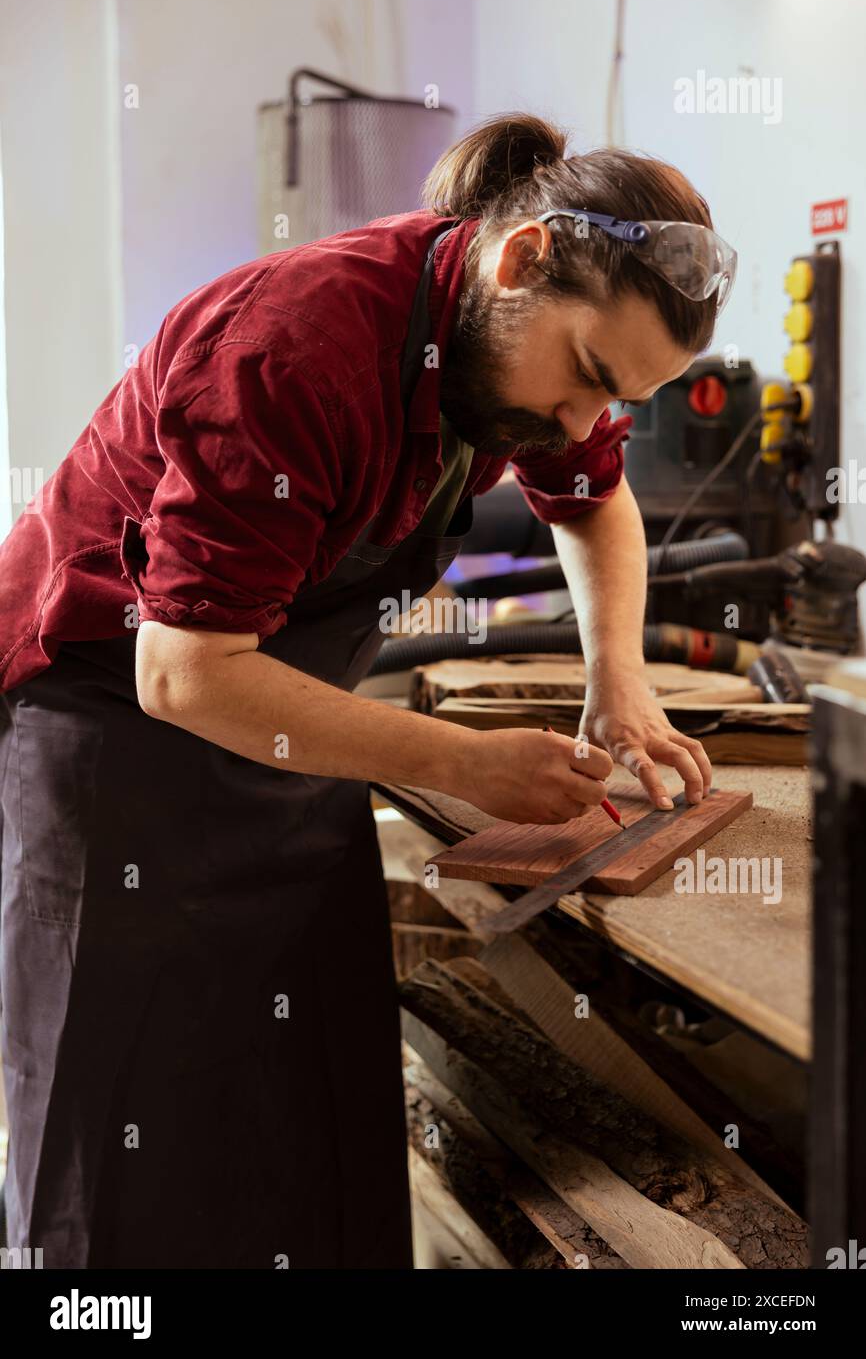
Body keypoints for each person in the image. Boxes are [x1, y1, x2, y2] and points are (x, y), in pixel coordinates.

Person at [0, 113, 728, 1268]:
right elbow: (181, 670)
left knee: (306, 1115)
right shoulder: (295, 348)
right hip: (117, 740)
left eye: (615, 400)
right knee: (117, 1151)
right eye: (587, 377)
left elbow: (593, 501)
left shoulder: (518, 360)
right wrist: (461, 762)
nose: (580, 427)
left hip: (286, 738)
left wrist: (621, 682)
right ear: (519, 259)